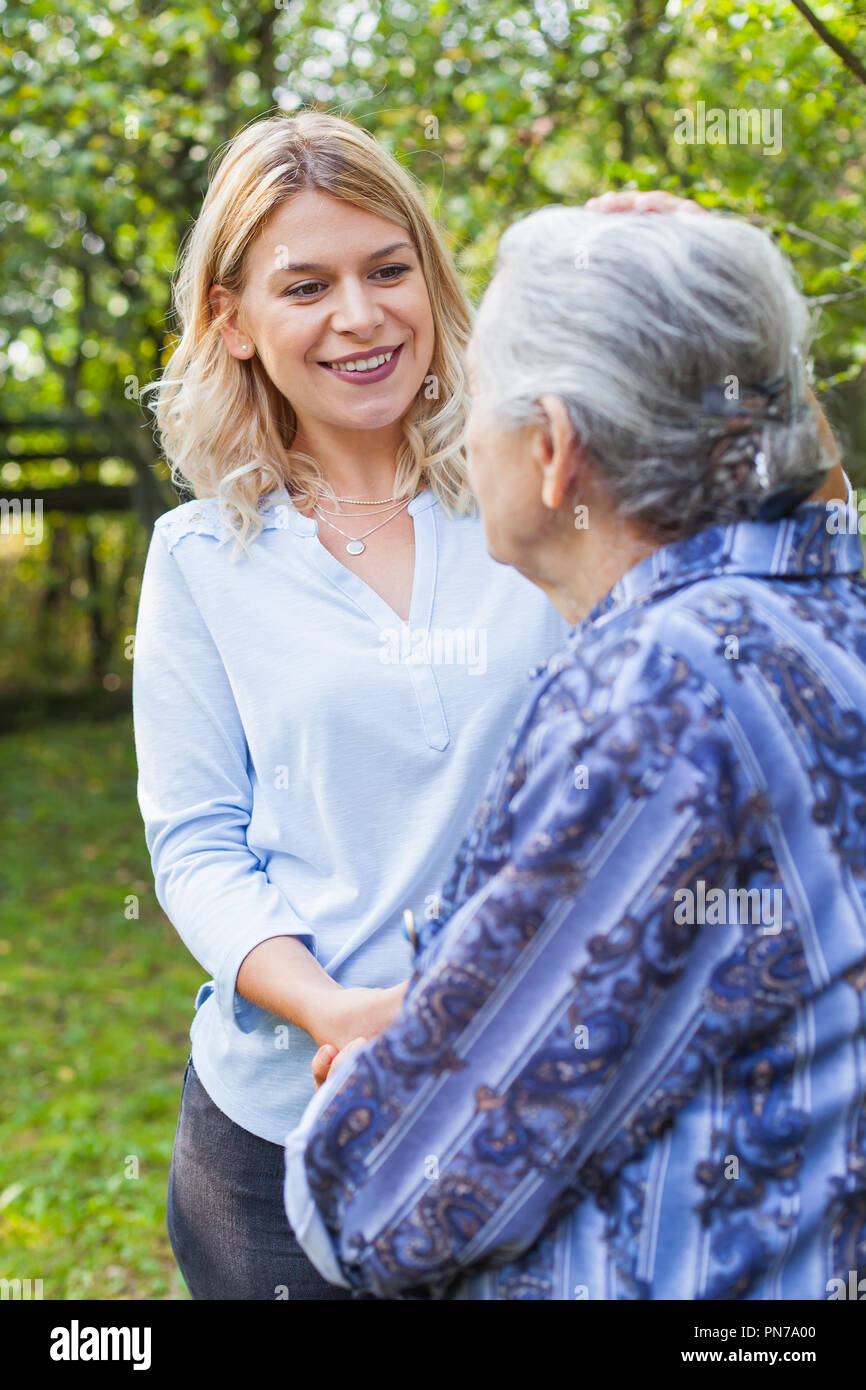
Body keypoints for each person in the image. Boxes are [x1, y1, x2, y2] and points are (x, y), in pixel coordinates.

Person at [283, 203, 866, 1300]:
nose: (457, 439)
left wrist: (373, 1074)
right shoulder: (825, 611)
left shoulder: (664, 690)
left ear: (551, 449)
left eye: (479, 406)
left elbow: (386, 1198)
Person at [131, 109, 575, 1301]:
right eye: (305, 285)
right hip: (282, 1137)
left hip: (539, 1104)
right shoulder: (198, 558)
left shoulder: (542, 495)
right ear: (230, 320)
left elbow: (772, 585)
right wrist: (338, 1011)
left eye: (388, 270)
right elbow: (197, 843)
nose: (361, 316)